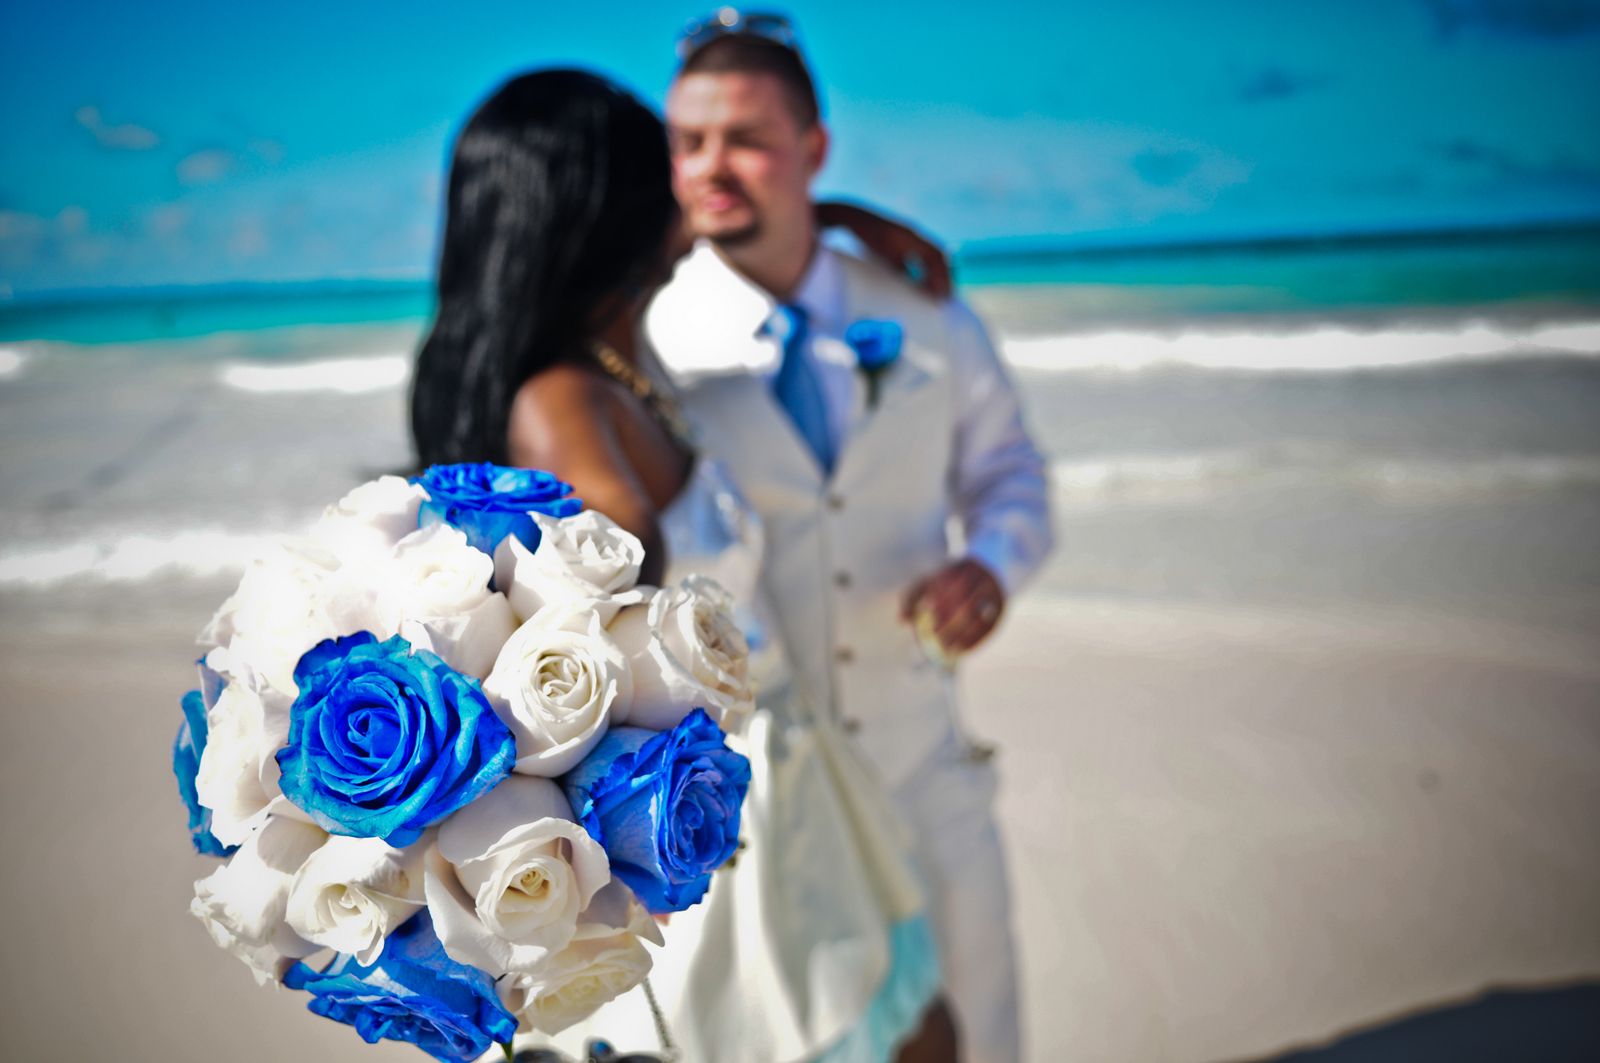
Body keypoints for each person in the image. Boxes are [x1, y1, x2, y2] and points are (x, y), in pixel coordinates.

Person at [411, 69, 961, 1062]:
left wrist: (836, 217)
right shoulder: (565, 405)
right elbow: (604, 620)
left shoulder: (616, 359)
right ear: (615, 215)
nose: (692, 183)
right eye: (664, 168)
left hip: (788, 779)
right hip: (711, 819)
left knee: (908, 1025)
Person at [644, 14, 1054, 1063]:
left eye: (743, 138)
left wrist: (991, 566)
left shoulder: (928, 316)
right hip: (755, 805)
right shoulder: (645, 342)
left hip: (925, 760)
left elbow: (1012, 477)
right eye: (687, 143)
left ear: (815, 150)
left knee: (980, 1022)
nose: (709, 168)